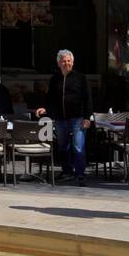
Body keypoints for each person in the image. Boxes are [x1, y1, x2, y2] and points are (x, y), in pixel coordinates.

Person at [34, 49, 93, 186]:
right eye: (64, 61)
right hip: (61, 118)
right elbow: (50, 98)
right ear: (59, 63)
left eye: (69, 61)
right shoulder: (55, 79)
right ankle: (67, 171)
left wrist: (87, 117)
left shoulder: (80, 78)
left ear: (72, 62)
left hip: (77, 117)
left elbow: (87, 99)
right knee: (63, 147)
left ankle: (80, 174)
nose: (66, 63)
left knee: (78, 146)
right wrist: (45, 108)